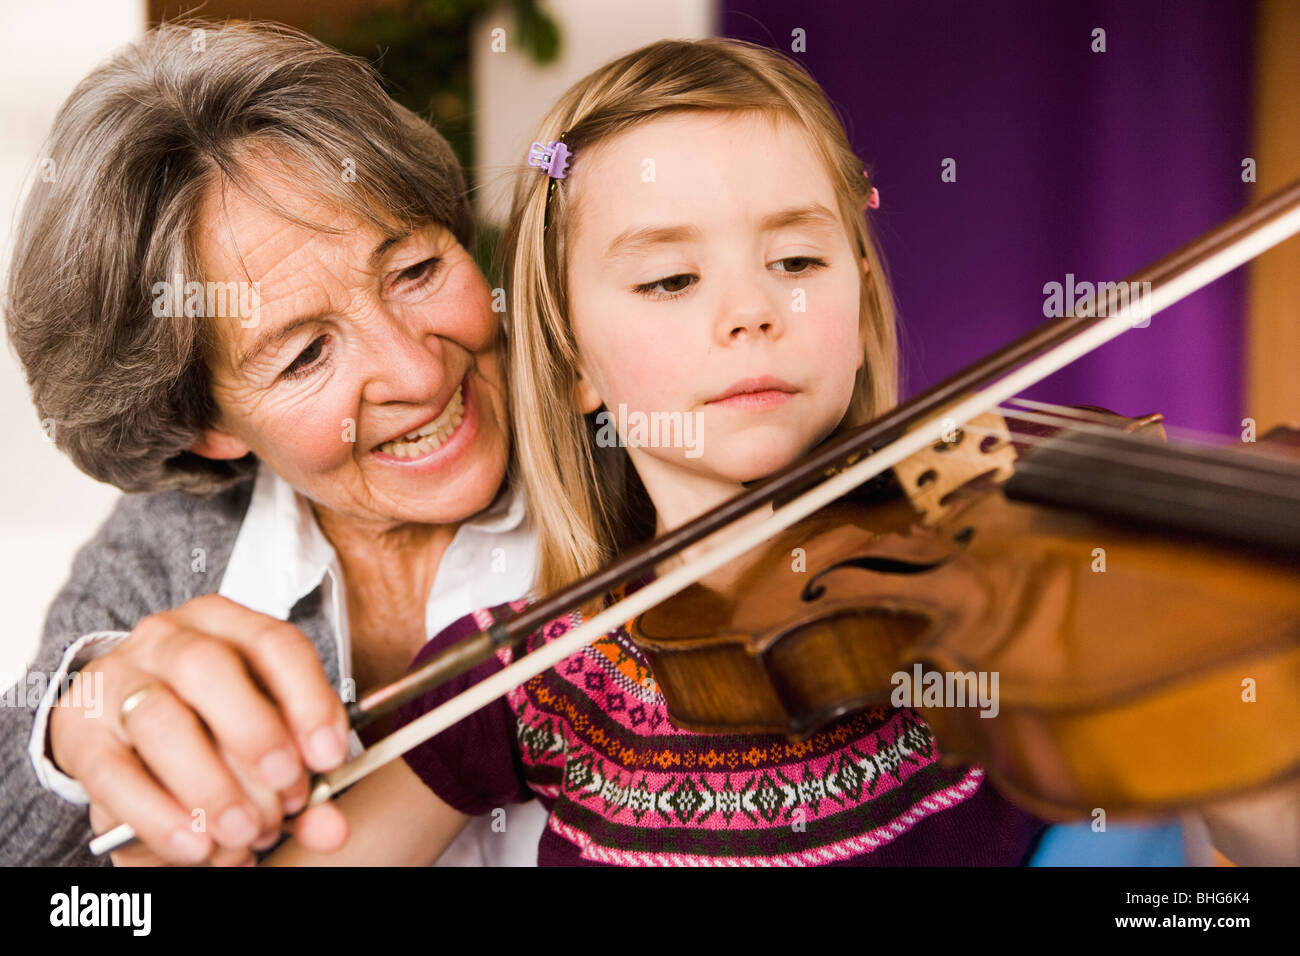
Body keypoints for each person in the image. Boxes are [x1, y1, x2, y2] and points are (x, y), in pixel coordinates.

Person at [0, 20, 548, 866]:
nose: (416, 370)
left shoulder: (642, 450)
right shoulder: (169, 549)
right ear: (210, 427)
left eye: (414, 271)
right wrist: (76, 721)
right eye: (303, 355)